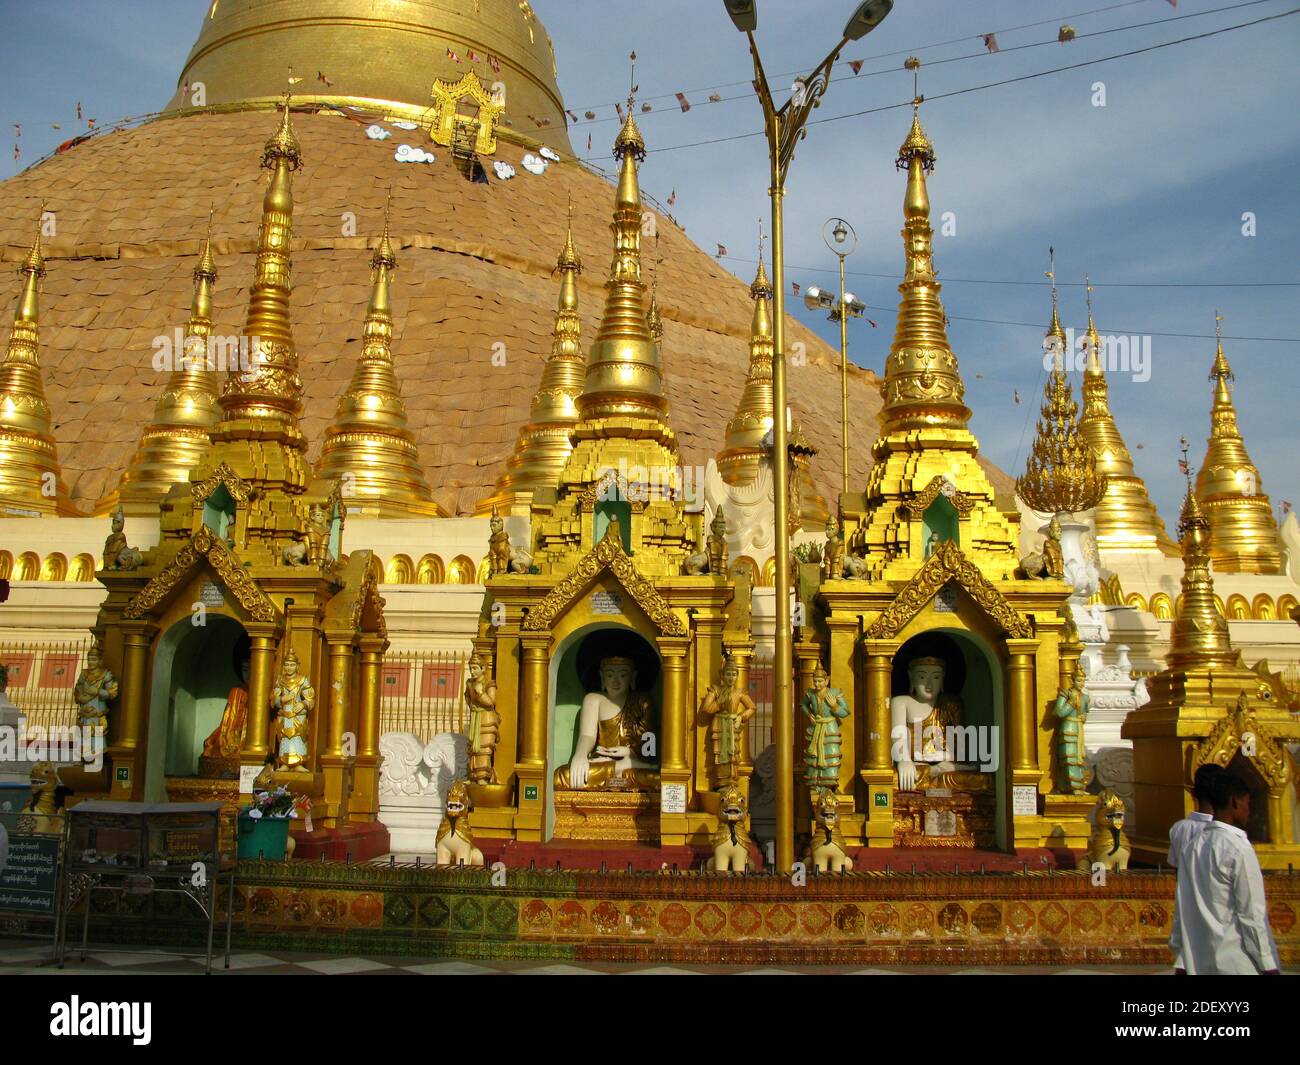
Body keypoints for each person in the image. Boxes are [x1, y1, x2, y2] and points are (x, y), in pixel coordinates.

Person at [1169, 772, 1280, 975]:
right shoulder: (1239, 849)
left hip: (1200, 961)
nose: (1249, 810)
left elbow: (1182, 907)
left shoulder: (1193, 847)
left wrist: (1182, 957)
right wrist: (1267, 963)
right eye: (1247, 803)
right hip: (1238, 962)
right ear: (1234, 802)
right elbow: (1251, 915)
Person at [1167, 764, 1223, 973]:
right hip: (1218, 910)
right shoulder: (1226, 836)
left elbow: (1176, 871)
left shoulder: (1180, 828)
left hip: (1187, 905)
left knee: (1188, 958)